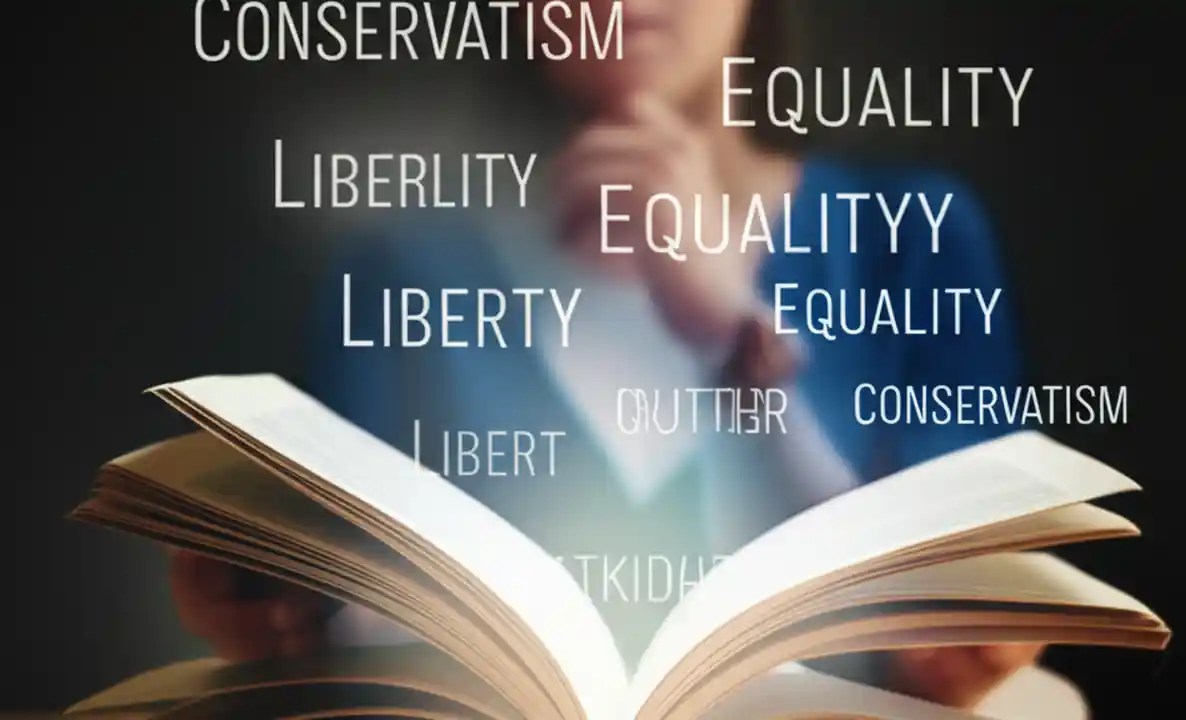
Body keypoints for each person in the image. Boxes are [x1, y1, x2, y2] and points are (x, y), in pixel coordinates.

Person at [170, 0, 1041, 711]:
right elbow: (352, 627)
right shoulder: (402, 271)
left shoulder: (913, 234)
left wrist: (728, 334)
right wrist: (273, 622)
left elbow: (938, 623)